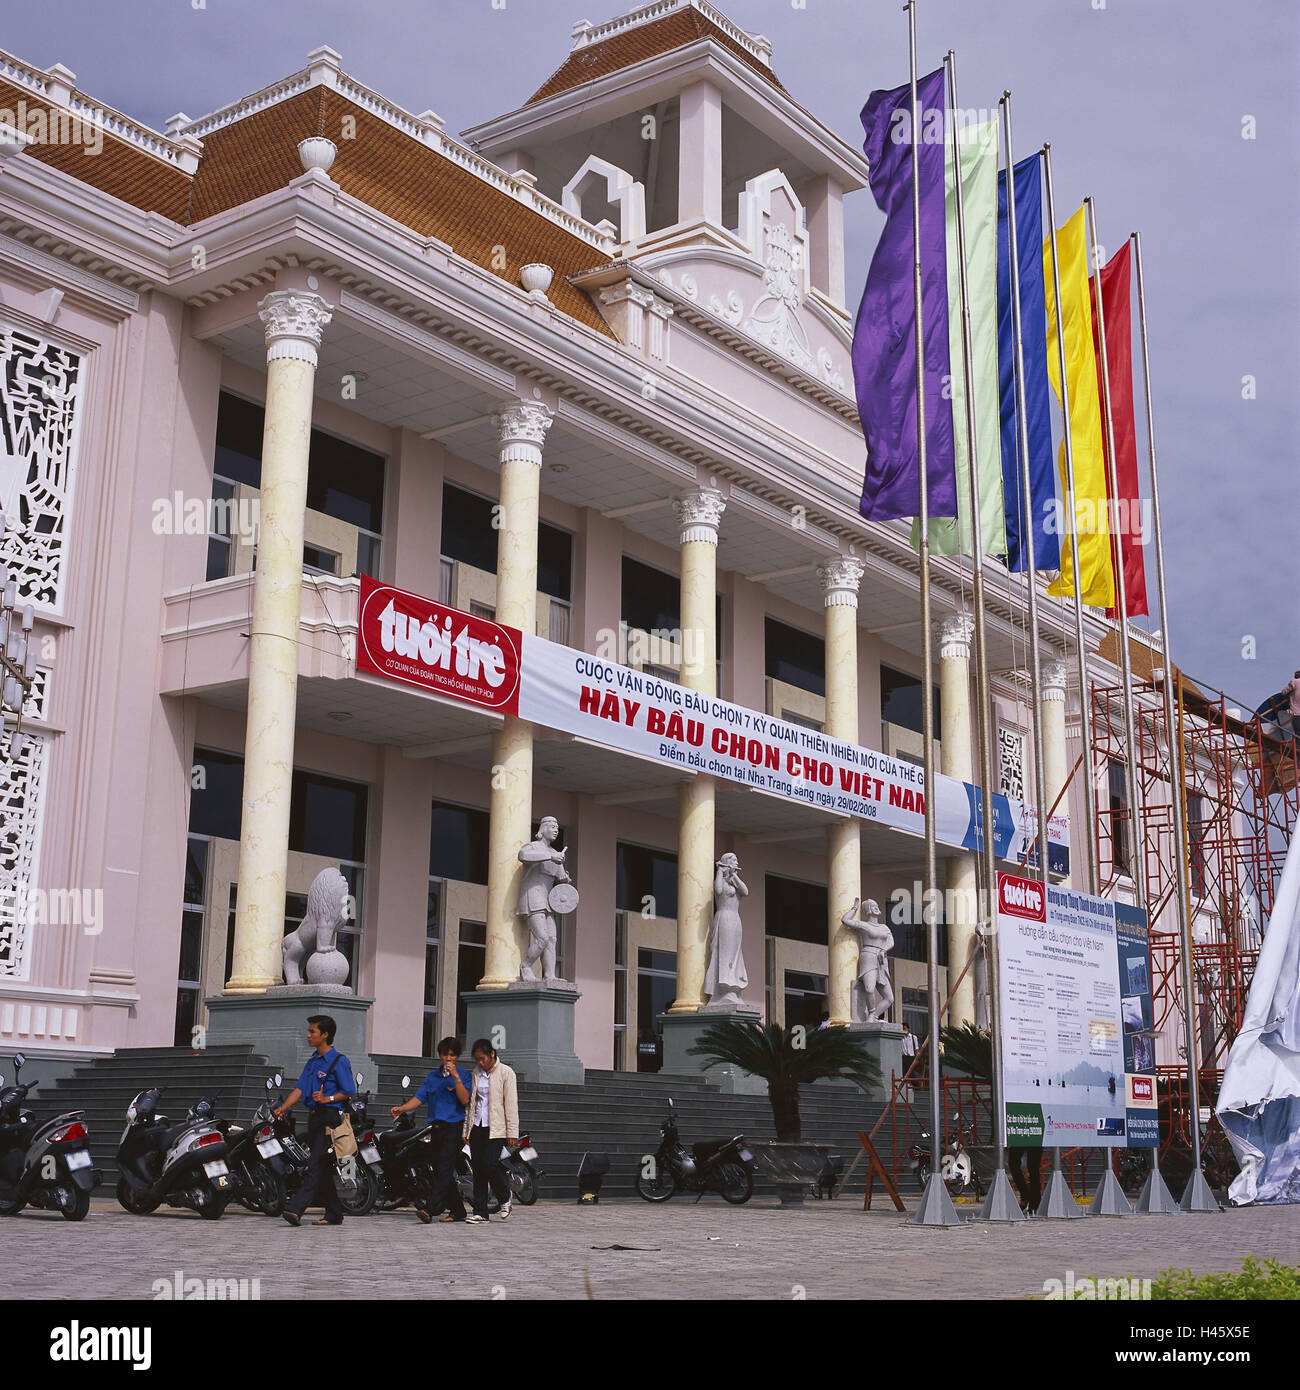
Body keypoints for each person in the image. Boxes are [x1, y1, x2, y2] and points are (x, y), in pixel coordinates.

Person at [276, 1014, 354, 1227]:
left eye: (313, 1032)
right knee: (324, 1168)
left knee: (315, 1165)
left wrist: (327, 1098)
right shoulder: (312, 1062)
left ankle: (295, 1209)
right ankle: (334, 1213)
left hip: (330, 1119)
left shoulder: (339, 1061)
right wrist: (283, 1108)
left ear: (325, 1035)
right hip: (314, 1119)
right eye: (309, 1031)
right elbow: (300, 1089)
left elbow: (348, 1091)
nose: (308, 1035)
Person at [391, 1037, 471, 1225]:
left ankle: (430, 1208)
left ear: (457, 1057)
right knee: (440, 1170)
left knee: (444, 1167)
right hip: (436, 1129)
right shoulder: (432, 1078)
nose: (448, 1059)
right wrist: (402, 1109)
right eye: (445, 1055)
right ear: (440, 1055)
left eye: (452, 1055)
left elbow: (465, 1100)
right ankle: (458, 1210)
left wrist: (456, 1078)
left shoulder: (464, 1076)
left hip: (454, 1128)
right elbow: (419, 1098)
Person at [462, 1039, 520, 1222]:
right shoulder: (476, 1073)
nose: (480, 1062)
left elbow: (511, 1104)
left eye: (482, 1058)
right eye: (477, 1059)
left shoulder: (506, 1073)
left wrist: (512, 1132)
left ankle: (504, 1195)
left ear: (492, 1054)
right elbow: (472, 1104)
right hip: (477, 1126)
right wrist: (466, 1130)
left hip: (497, 1128)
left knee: (489, 1164)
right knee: (478, 1169)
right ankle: (480, 1212)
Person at [704, 853, 748, 1007]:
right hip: (724, 918)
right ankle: (723, 988)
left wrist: (734, 876)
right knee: (724, 953)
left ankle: (734, 988)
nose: (736, 862)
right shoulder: (721, 881)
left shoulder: (735, 882)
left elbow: (745, 891)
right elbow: (717, 890)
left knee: (735, 954)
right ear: (726, 862)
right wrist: (720, 872)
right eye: (733, 860)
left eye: (737, 860)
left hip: (735, 920)